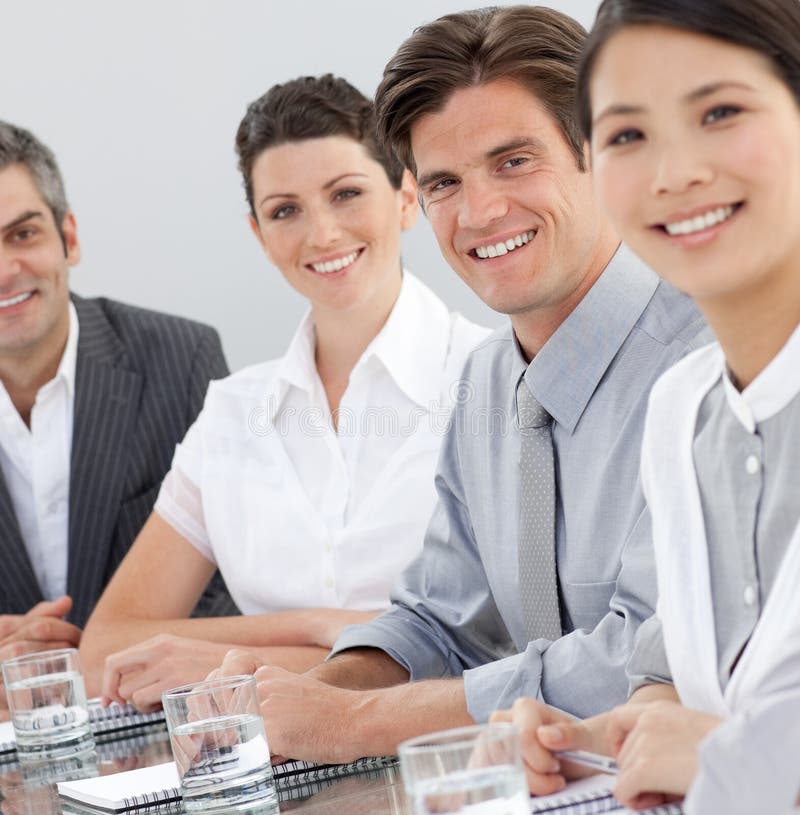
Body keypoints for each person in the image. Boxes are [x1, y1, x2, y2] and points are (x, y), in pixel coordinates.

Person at [209, 5, 710, 766]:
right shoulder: (483, 382)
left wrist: (352, 724)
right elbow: (439, 619)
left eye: (513, 161)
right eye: (444, 182)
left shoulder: (706, 357)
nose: (479, 212)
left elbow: (645, 660)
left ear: (600, 153)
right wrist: (308, 692)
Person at [79, 75, 490, 706]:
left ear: (407, 197)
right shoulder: (233, 414)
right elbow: (106, 646)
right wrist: (319, 628)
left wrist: (240, 660)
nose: (321, 233)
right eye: (285, 210)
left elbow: (507, 645)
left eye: (346, 194)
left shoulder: (490, 378)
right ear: (259, 236)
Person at [499, 1, 800, 812]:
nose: (675, 172)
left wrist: (717, 757)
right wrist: (595, 738)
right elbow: (680, 690)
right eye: (629, 135)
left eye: (721, 112)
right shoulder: (682, 410)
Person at [0, 121, 234, 708]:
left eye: (22, 234)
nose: (5, 270)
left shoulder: (182, 360)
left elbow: (238, 574)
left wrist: (88, 666)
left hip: (161, 725)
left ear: (68, 237)